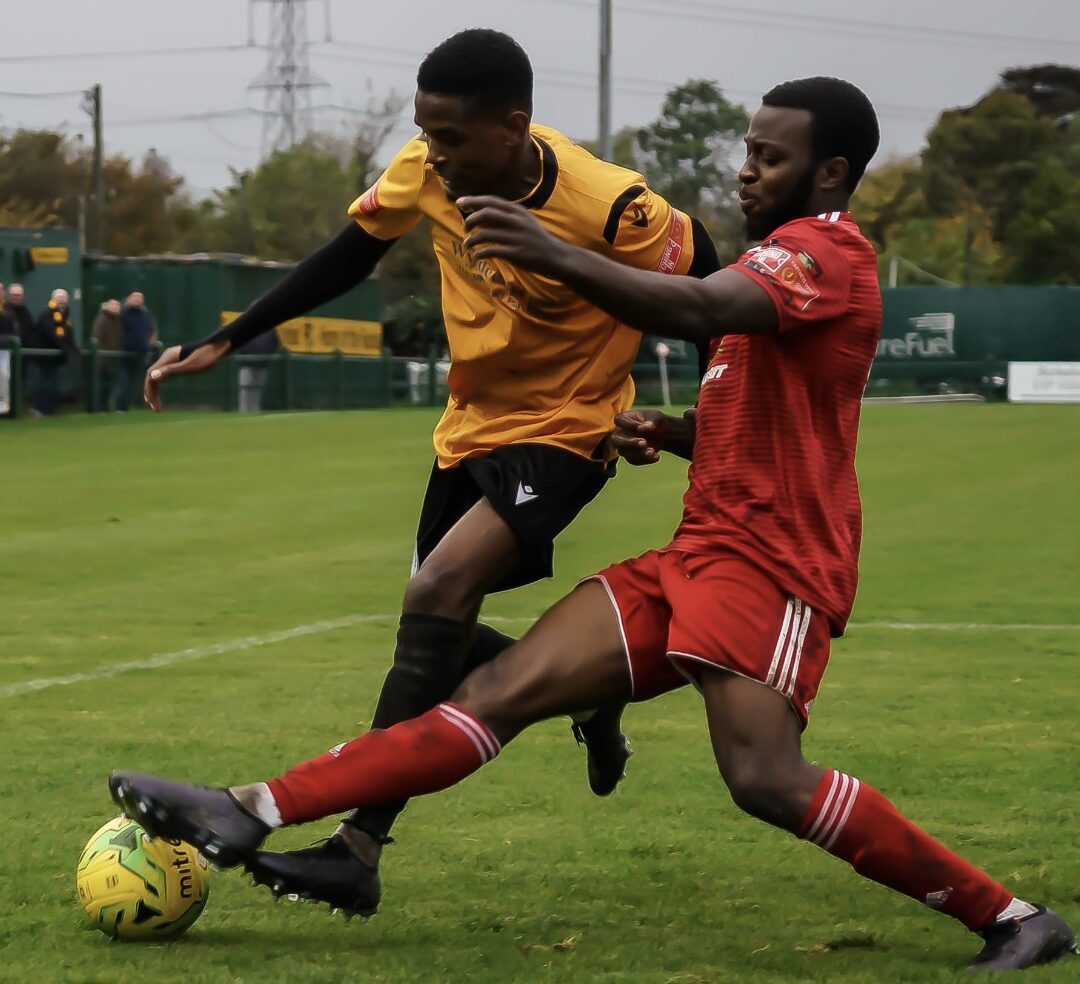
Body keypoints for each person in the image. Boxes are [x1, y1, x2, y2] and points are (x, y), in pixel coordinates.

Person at [109, 77, 1077, 973]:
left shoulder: (829, 252)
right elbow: (773, 417)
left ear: (829, 173)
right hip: (698, 554)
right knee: (493, 692)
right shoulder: (777, 263)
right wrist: (678, 430)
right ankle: (247, 809)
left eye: (770, 157)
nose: (746, 169)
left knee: (764, 779)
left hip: (772, 568)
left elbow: (698, 303)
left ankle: (1011, 916)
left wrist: (554, 254)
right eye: (747, 150)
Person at [135, 28, 720, 917]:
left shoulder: (611, 207)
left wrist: (710, 428)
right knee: (440, 636)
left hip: (569, 427)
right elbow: (350, 253)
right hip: (470, 426)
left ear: (515, 127)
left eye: (449, 138)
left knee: (436, 592)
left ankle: (357, 845)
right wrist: (226, 337)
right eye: (424, 132)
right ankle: (592, 697)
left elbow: (713, 288)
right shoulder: (425, 168)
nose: (431, 155)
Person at [28, 288, 75, 417]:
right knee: (45, 380)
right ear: (53, 299)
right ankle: (40, 408)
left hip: (55, 357)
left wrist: (72, 348)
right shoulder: (47, 313)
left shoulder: (66, 315)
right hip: (45, 355)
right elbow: (51, 333)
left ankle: (49, 408)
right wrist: (65, 347)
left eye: (64, 297)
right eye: (59, 297)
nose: (61, 300)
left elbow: (68, 333)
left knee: (52, 381)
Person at [115, 291, 157, 413]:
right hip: (124, 352)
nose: (137, 300)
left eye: (140, 298)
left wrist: (151, 341)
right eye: (135, 297)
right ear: (128, 299)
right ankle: (120, 407)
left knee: (134, 381)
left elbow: (153, 328)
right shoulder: (122, 313)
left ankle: (130, 405)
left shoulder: (146, 313)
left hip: (141, 352)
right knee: (123, 380)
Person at [91, 299, 123, 412]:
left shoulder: (118, 320)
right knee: (103, 385)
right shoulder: (102, 318)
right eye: (114, 305)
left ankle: (107, 407)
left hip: (114, 358)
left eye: (118, 306)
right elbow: (97, 337)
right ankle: (100, 408)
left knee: (110, 385)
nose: (117, 308)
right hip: (105, 358)